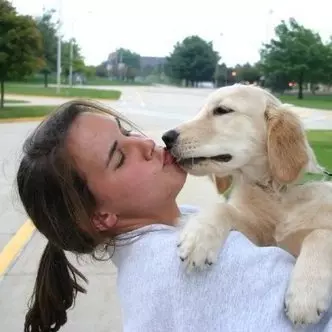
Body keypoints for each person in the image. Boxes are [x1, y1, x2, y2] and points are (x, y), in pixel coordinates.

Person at [17, 99, 332, 332]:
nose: (145, 142)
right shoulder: (197, 267)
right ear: (102, 216)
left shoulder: (165, 239)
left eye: (127, 132)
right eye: (120, 157)